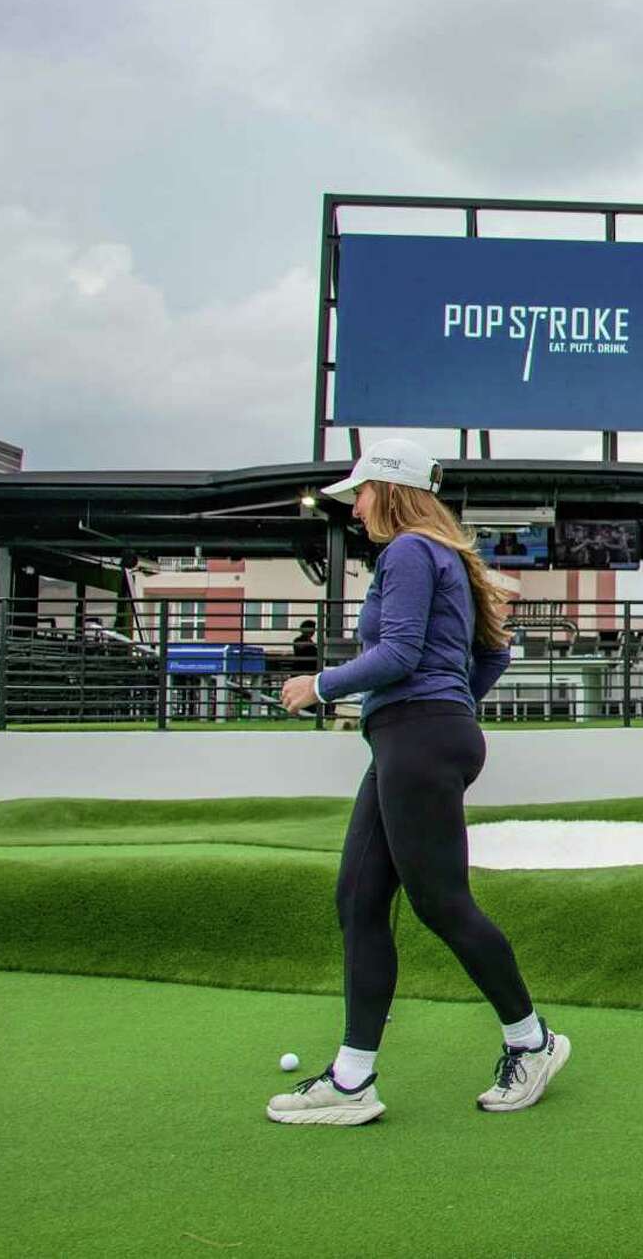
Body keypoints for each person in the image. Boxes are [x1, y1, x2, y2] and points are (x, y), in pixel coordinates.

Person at [268, 438, 567, 1127]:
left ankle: (533, 1040)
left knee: (441, 903)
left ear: (389, 490)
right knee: (359, 898)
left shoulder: (405, 551)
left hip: (418, 736)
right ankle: (352, 1079)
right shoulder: (447, 556)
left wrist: (318, 685)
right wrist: (454, 699)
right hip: (417, 735)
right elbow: (495, 650)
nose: (356, 505)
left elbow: (397, 651)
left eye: (362, 492)